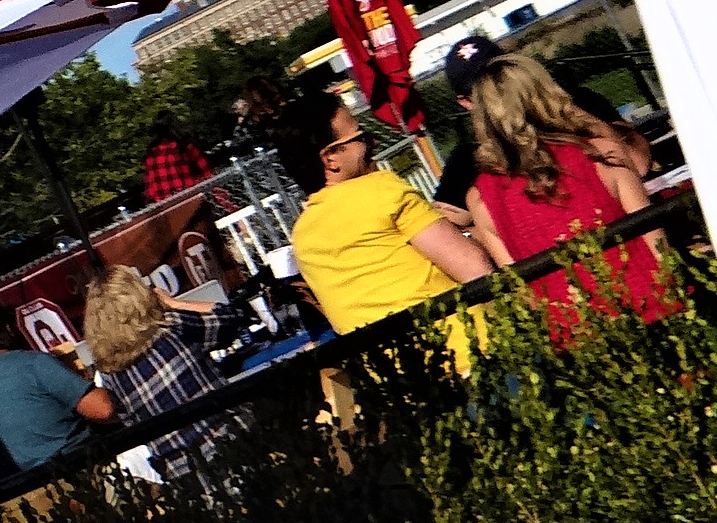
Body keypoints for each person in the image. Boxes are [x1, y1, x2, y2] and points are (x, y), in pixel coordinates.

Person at [460, 54, 670, 332]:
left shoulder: (481, 198)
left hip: (575, 333)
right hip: (653, 308)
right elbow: (658, 246)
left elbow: (525, 292)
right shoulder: (601, 154)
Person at [280, 94, 494, 333]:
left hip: (389, 356)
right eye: (361, 137)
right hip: (465, 342)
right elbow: (476, 269)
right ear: (330, 158)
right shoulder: (380, 191)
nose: (375, 142)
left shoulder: (302, 236)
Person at [430, 35, 650, 232]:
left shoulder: (576, 103)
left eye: (501, 79)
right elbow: (449, 221)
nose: (500, 93)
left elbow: (639, 162)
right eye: (484, 91)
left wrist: (571, 115)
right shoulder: (469, 155)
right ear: (466, 102)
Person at [83, 264, 238, 472]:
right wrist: (173, 303)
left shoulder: (108, 372)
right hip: (230, 445)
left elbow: (125, 418)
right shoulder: (169, 328)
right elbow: (229, 317)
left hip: (184, 472)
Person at [0, 293, 113, 476]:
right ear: (8, 328)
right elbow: (103, 410)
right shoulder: (33, 364)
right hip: (81, 468)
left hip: (27, 485)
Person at [140, 113, 213, 204]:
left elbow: (149, 189)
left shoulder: (150, 154)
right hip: (189, 198)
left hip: (164, 205)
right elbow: (207, 173)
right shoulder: (184, 146)